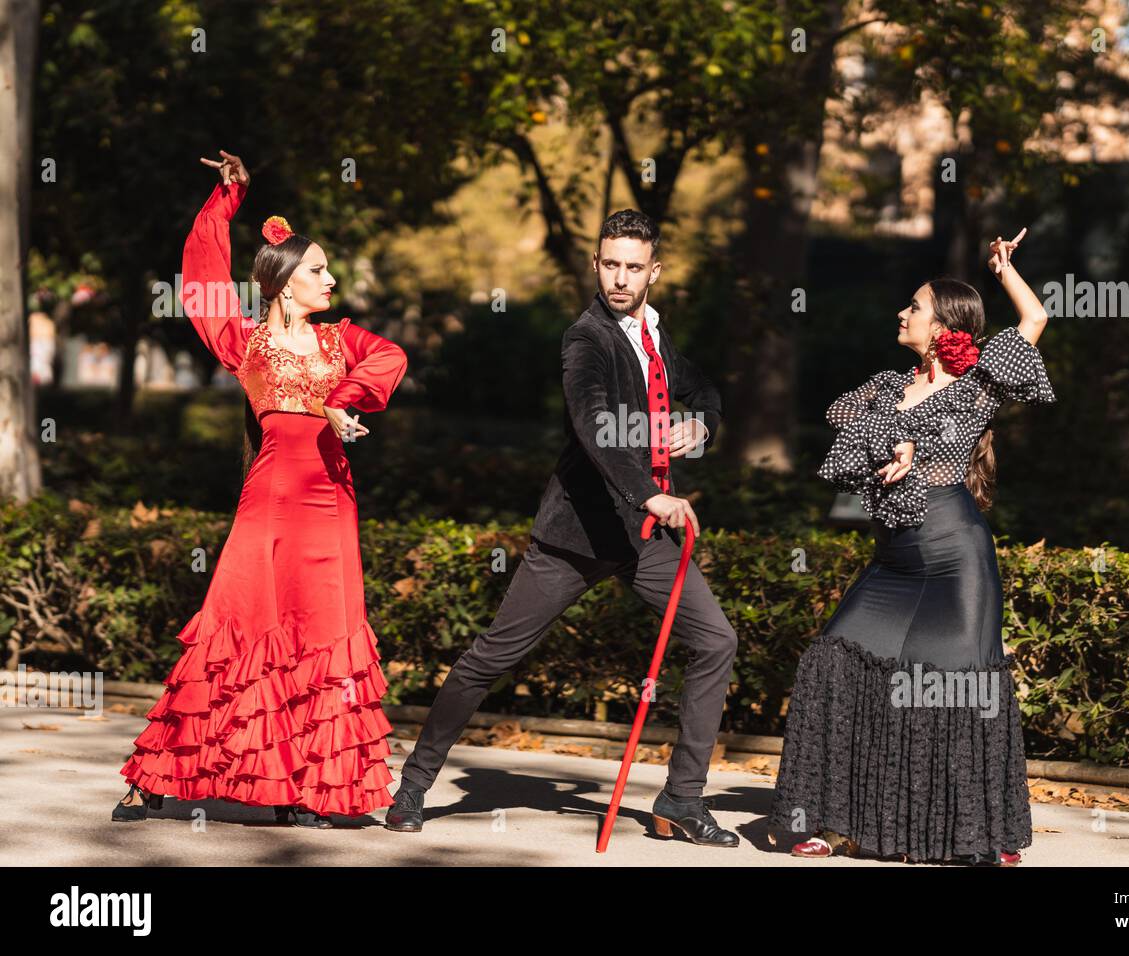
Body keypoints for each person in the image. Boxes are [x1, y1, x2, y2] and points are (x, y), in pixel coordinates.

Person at [386, 209, 740, 847]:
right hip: (578, 534)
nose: (620, 278)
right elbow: (595, 426)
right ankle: (413, 785)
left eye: (634, 267)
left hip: (642, 541)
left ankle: (681, 801)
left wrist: (704, 425)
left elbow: (706, 387)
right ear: (596, 264)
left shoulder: (653, 338)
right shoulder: (587, 340)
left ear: (653, 271)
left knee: (716, 642)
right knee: (492, 656)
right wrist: (649, 496)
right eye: (610, 264)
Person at [113, 150, 408, 827]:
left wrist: (349, 397)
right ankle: (157, 779)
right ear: (280, 282)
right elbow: (202, 282)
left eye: (328, 268)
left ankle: (309, 788)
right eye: (317, 269)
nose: (331, 279)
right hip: (268, 503)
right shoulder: (243, 342)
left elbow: (393, 356)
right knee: (235, 631)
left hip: (331, 505)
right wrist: (227, 201)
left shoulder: (342, 341)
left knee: (325, 637)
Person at [770, 228, 1054, 865]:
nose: (902, 313)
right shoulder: (884, 387)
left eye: (915, 306)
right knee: (832, 662)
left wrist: (1004, 268)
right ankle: (826, 821)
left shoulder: (979, 382)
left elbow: (1035, 317)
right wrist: (893, 436)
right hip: (894, 562)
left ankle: (979, 833)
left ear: (944, 323)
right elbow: (840, 415)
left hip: (955, 558)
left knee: (957, 685)